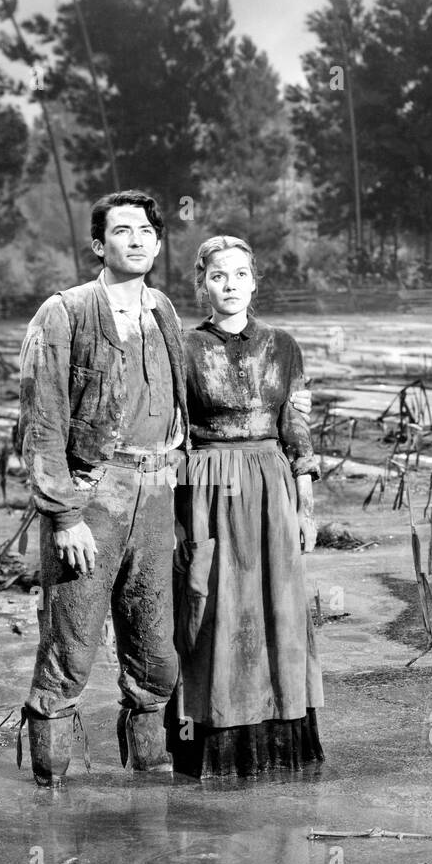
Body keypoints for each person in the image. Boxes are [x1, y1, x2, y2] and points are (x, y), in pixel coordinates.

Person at [16, 191, 188, 785]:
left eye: (146, 230)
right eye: (122, 230)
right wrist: (65, 517)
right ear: (99, 244)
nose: (137, 239)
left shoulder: (163, 309)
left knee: (157, 651)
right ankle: (51, 784)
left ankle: (150, 768)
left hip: (157, 489)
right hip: (95, 492)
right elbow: (42, 425)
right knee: (72, 648)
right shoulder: (64, 312)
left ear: (159, 242)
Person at [170, 235, 325, 777]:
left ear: (255, 281)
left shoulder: (283, 345)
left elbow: (296, 427)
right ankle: (214, 734)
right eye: (218, 276)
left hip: (271, 484)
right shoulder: (183, 347)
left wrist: (305, 505)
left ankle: (280, 732)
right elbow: (174, 432)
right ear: (202, 284)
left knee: (278, 604)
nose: (230, 285)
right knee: (213, 603)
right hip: (208, 482)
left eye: (240, 274)